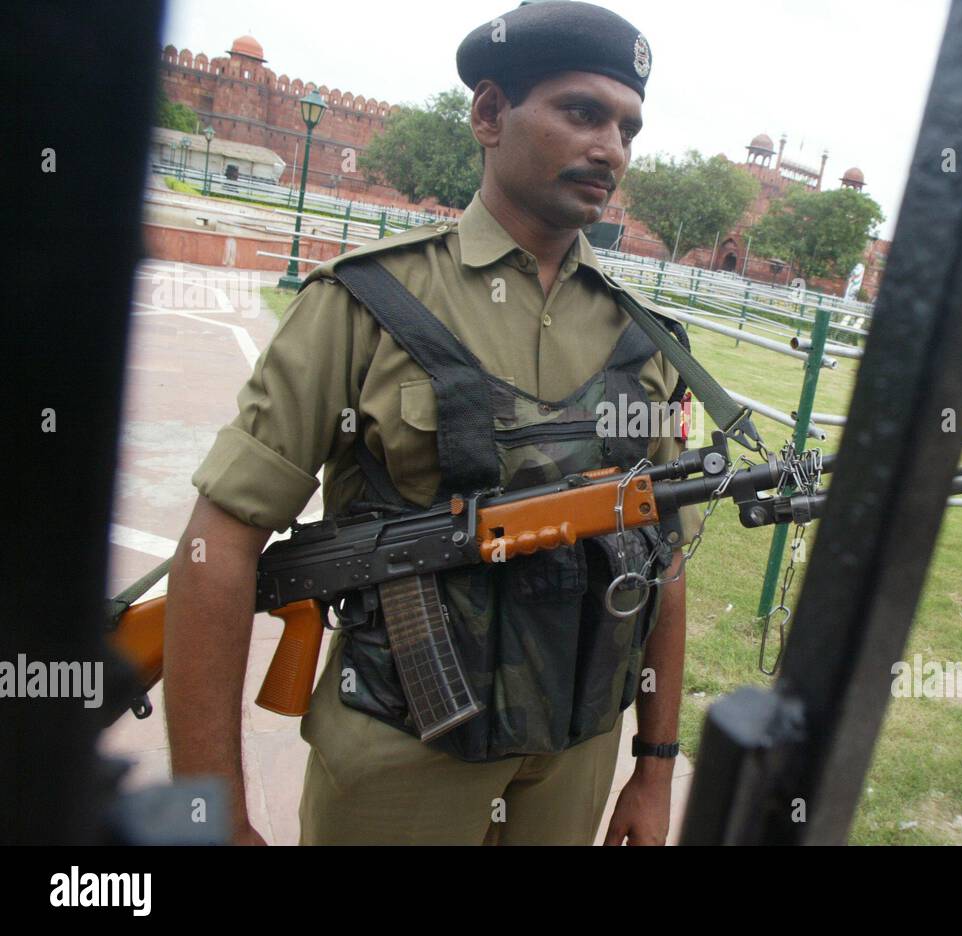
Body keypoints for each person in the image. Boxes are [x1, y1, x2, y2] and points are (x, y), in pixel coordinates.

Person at [162, 1, 699, 845]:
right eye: (581, 112)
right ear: (489, 113)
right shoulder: (363, 303)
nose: (610, 149)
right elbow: (217, 548)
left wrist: (655, 766)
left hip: (574, 763)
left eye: (627, 127)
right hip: (396, 769)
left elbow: (663, 563)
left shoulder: (650, 340)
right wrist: (208, 805)